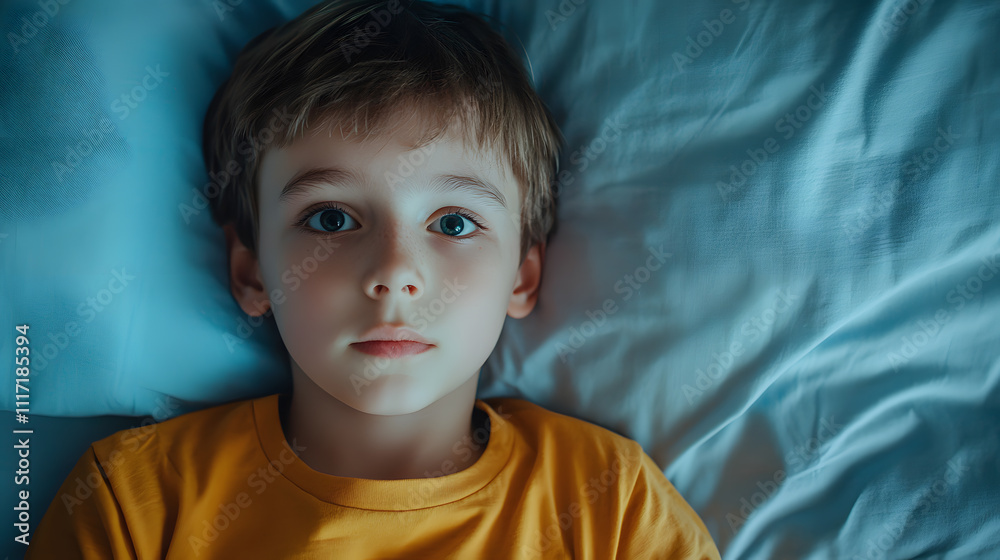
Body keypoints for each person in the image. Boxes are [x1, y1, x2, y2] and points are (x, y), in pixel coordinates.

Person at [27, 1, 721, 557]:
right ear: (251, 268)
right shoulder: (136, 503)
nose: (394, 273)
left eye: (452, 224)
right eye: (331, 219)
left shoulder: (610, 504)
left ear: (522, 273)